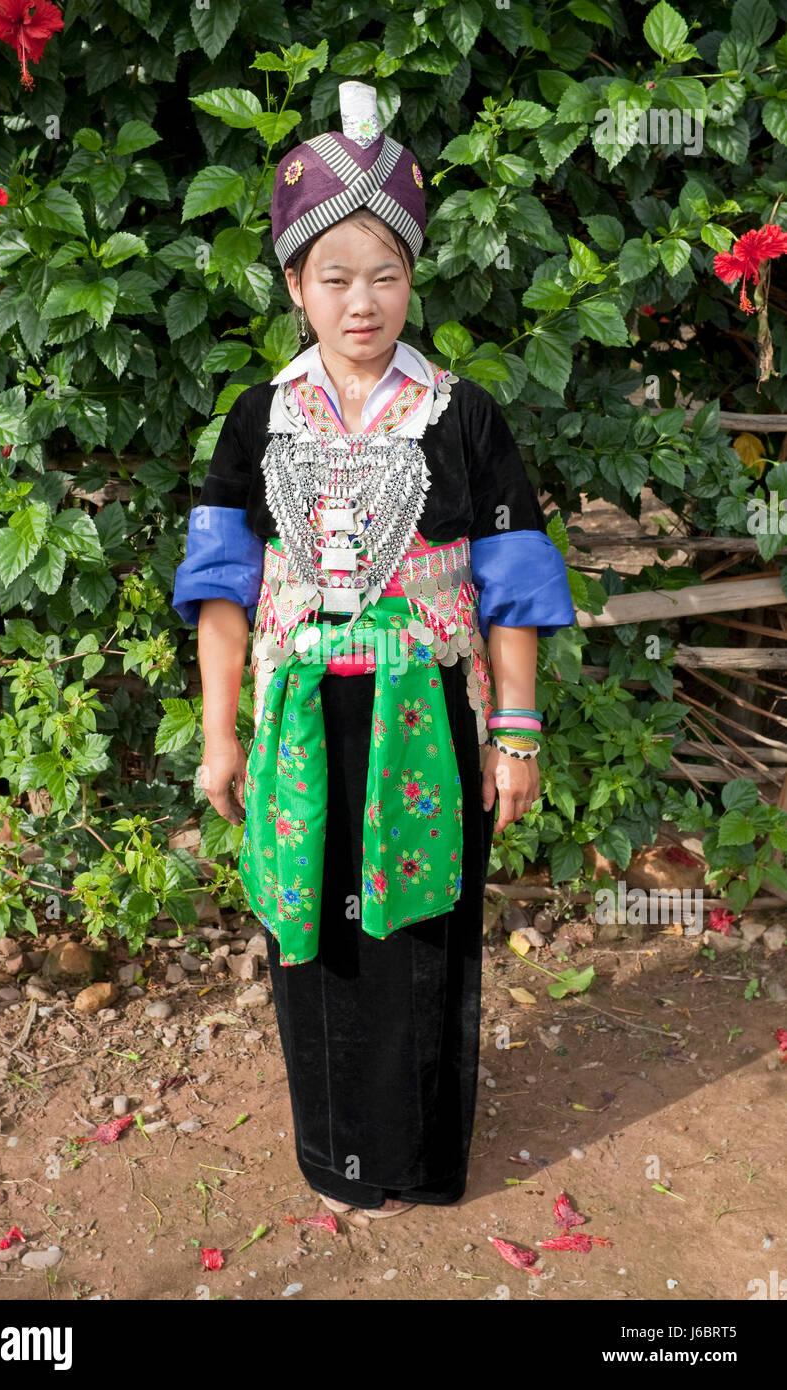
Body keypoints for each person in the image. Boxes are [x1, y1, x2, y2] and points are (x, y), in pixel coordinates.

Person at [173, 82, 576, 1220]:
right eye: (334, 278)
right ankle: (335, 1157)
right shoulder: (259, 419)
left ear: (413, 281)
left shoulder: (463, 415)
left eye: (385, 275)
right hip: (305, 722)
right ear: (294, 285)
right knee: (311, 935)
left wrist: (514, 731)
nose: (363, 302)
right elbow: (221, 591)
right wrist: (219, 732)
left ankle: (417, 1159)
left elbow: (511, 590)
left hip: (426, 726)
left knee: (423, 937)